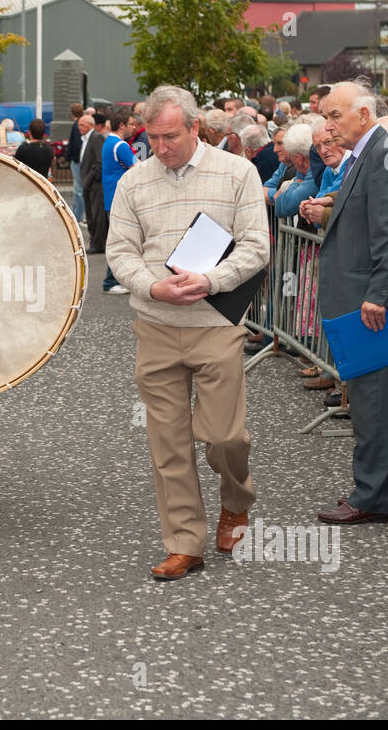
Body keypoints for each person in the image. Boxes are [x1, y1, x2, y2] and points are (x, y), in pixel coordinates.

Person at [107, 85, 269, 579]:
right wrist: (153, 288)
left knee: (224, 438)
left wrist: (210, 279)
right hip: (156, 326)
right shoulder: (134, 183)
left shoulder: (238, 173)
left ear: (196, 128)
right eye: (152, 137)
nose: (161, 147)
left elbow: (257, 246)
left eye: (171, 136)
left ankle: (237, 500)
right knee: (168, 443)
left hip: (216, 325)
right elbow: (119, 252)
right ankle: (185, 542)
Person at [313, 81, 388, 524]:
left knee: (373, 402)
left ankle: (371, 497)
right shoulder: (372, 151)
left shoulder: (382, 153)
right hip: (370, 297)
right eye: (325, 116)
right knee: (376, 400)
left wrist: (378, 296)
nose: (327, 126)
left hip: (377, 302)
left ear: (363, 114)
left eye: (335, 116)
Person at [101, 107, 137, 293]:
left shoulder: (109, 141)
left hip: (110, 196)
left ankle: (112, 280)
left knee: (116, 238)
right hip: (118, 198)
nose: (134, 127)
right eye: (131, 123)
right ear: (122, 125)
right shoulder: (121, 145)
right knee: (120, 240)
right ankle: (110, 281)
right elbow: (137, 168)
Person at [79, 112, 108, 255]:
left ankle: (98, 244)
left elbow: (99, 162)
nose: (79, 127)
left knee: (97, 215)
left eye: (82, 125)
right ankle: (94, 242)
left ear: (91, 125)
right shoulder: (85, 139)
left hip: (94, 184)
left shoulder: (96, 138)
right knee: (91, 214)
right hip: (88, 183)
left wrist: (89, 180)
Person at [65, 103, 86, 222]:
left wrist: (69, 156)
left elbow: (76, 143)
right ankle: (76, 214)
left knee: (79, 189)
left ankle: (77, 215)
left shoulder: (76, 125)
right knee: (79, 188)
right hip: (79, 159)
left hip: (77, 160)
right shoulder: (80, 124)